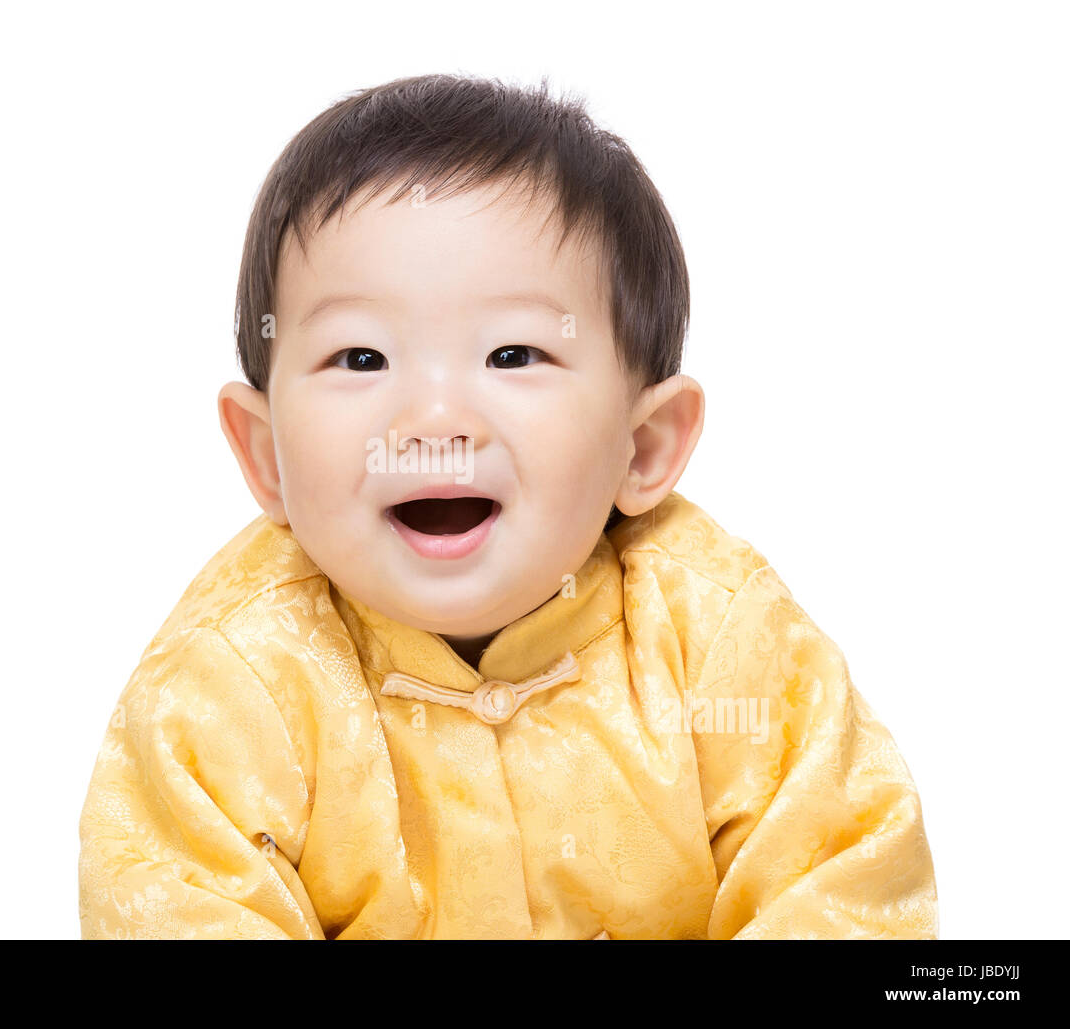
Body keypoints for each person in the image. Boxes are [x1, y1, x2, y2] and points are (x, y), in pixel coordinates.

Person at [77, 73, 938, 939]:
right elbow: (173, 906)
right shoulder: (227, 686)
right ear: (266, 457)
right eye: (363, 358)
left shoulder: (720, 641)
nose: (435, 419)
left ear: (643, 447)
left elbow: (846, 876)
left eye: (514, 352)